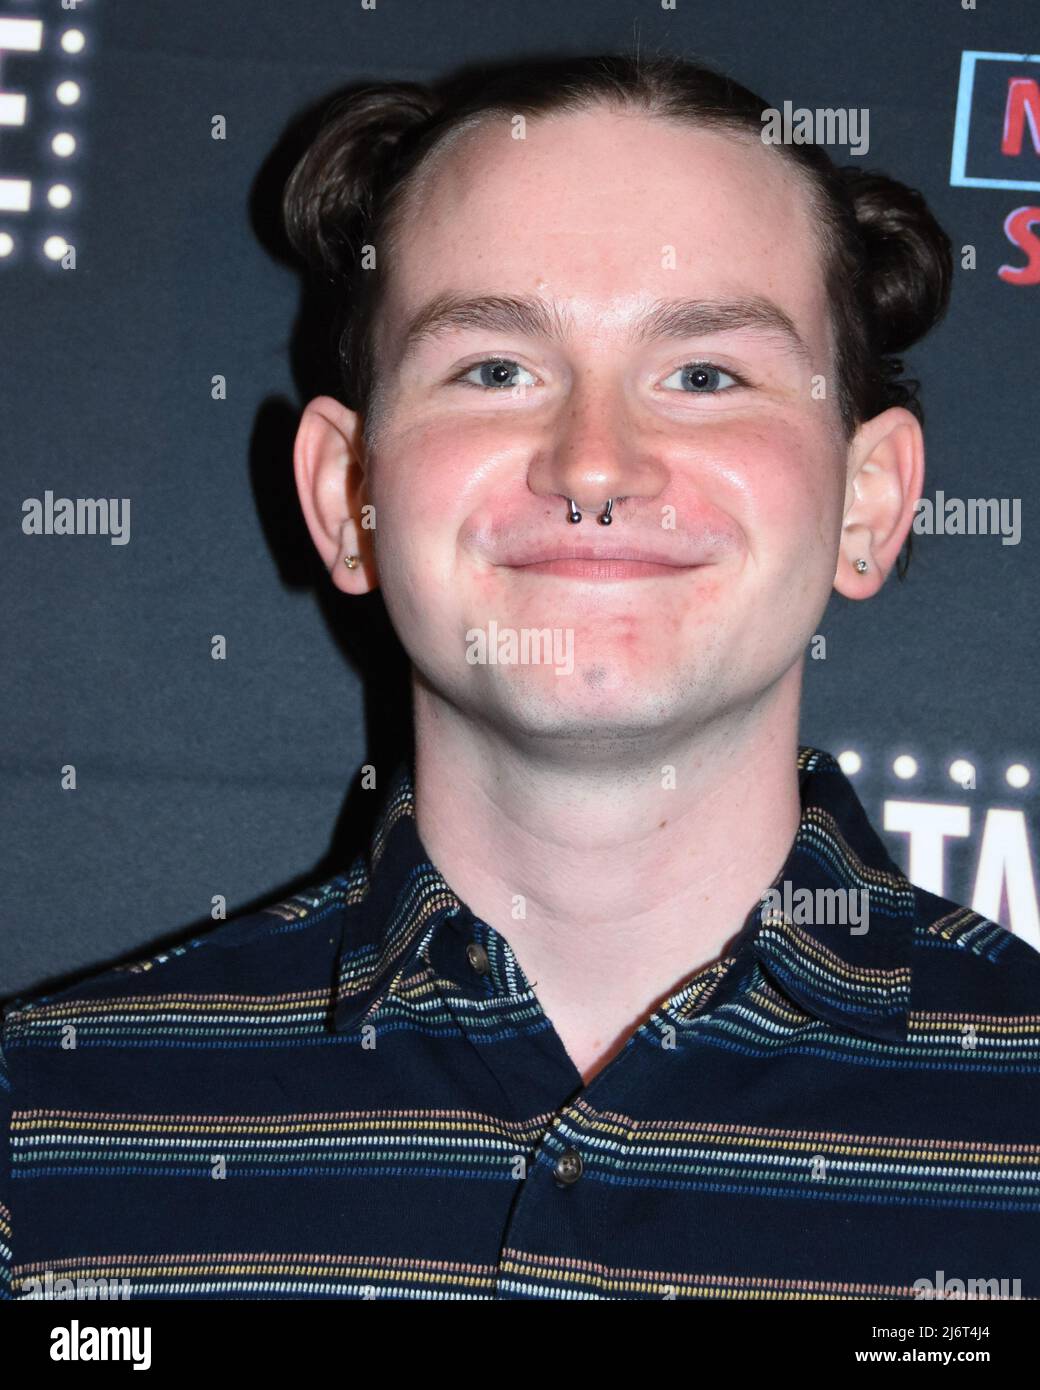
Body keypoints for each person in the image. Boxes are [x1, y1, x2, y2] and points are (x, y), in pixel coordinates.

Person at [3, 53, 1038, 1304]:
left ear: (866, 503)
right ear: (348, 499)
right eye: (493, 369)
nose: (593, 464)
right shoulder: (44, 1140)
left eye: (705, 375)